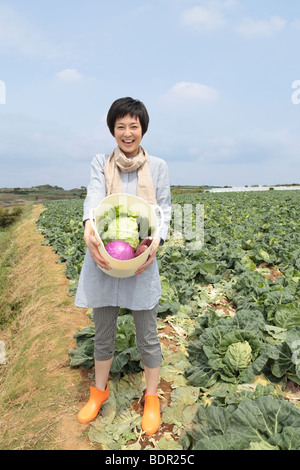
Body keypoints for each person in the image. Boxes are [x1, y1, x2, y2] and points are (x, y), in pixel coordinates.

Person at [74, 97, 171, 435]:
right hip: (104, 257)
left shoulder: (157, 166)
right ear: (112, 130)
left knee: (147, 335)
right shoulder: (101, 161)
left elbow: (164, 211)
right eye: (121, 126)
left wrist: (156, 239)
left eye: (134, 126)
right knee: (103, 334)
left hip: (141, 260)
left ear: (143, 129)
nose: (127, 133)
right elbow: (94, 197)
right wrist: (89, 223)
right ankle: (98, 393)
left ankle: (151, 396)